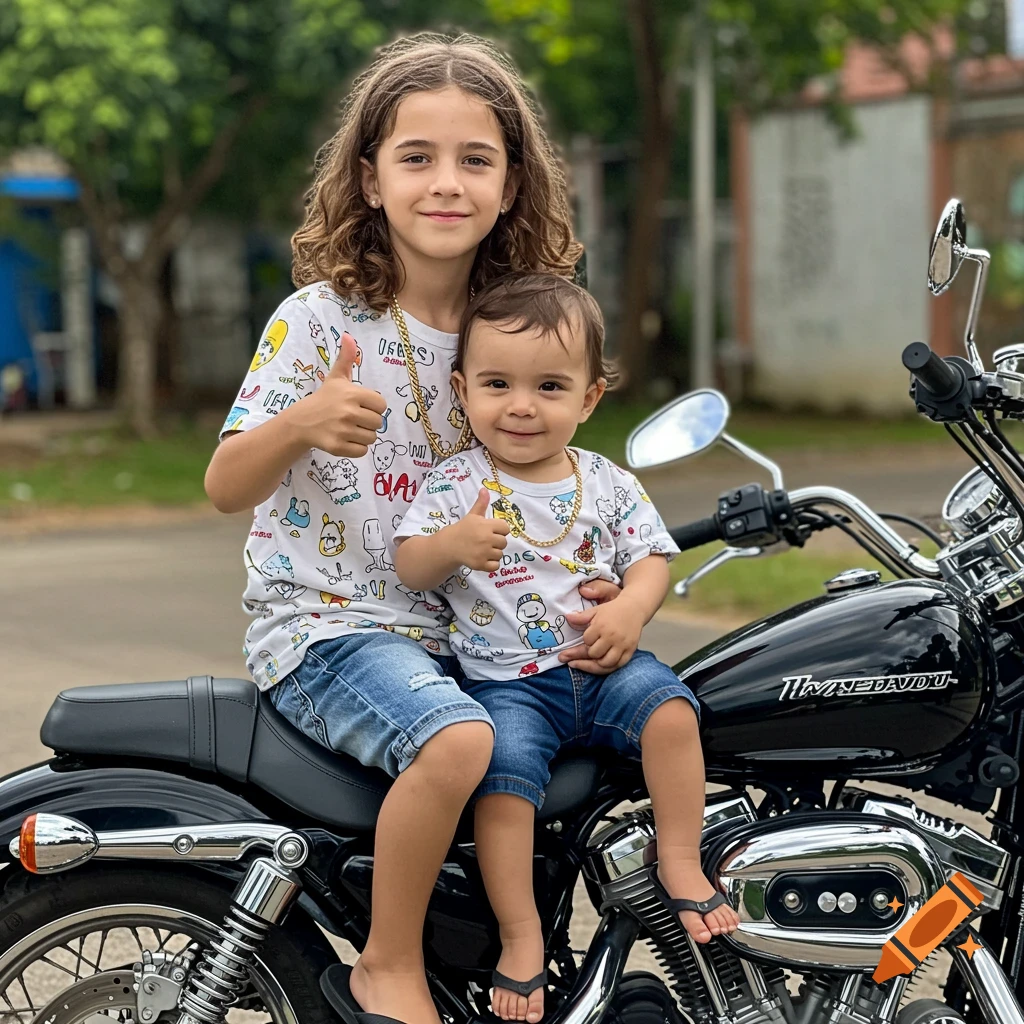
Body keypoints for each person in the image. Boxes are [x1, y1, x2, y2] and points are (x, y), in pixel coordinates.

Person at [204, 33, 617, 1024]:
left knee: (647, 725)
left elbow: (543, 481)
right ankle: (386, 961)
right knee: (457, 739)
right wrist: (301, 422)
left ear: (513, 183)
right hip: (330, 624)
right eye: (416, 158)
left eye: (475, 159)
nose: (447, 183)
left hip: (469, 632)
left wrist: (593, 579)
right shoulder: (317, 320)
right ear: (370, 177)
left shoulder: (511, 325)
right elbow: (225, 483)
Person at [393, 274, 741, 1024]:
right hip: (509, 685)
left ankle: (679, 856)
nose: (521, 405)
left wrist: (634, 614)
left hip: (604, 668)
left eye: (549, 386)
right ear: (462, 390)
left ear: (589, 398)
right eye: (497, 384)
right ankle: (521, 937)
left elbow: (650, 558)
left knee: (675, 713)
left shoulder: (607, 483)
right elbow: (410, 564)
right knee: (505, 782)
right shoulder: (456, 484)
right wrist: (453, 544)